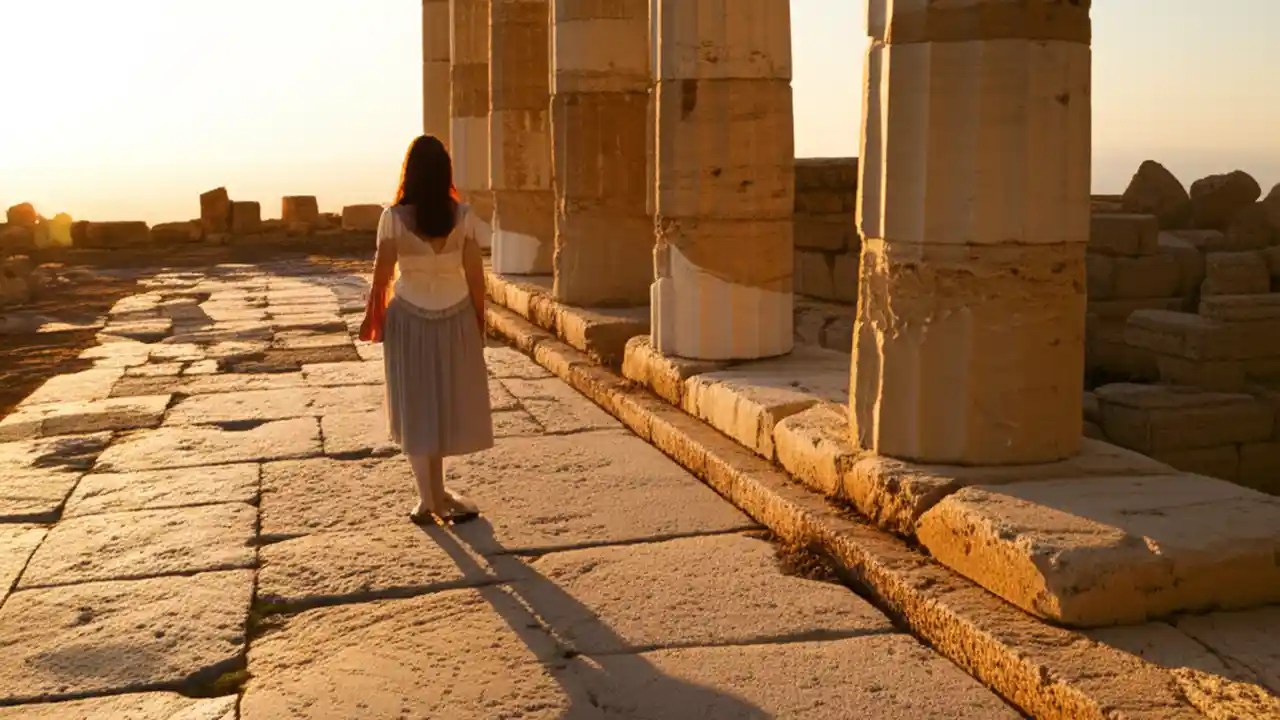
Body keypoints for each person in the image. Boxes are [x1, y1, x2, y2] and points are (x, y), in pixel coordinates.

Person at [359, 135, 493, 524]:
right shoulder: (463, 216)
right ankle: (436, 495)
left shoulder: (394, 218)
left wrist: (374, 320)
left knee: (417, 407)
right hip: (455, 316)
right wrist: (479, 324)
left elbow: (382, 278)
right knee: (443, 404)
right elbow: (475, 278)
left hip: (410, 319)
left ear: (410, 173)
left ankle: (429, 498)